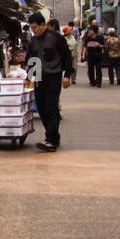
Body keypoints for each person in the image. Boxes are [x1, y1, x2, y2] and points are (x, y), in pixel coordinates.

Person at [25, 11, 73, 152]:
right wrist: (28, 78)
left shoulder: (56, 38)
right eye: (31, 28)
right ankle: (54, 138)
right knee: (41, 108)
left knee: (50, 108)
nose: (33, 31)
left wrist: (67, 75)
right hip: (39, 78)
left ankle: (50, 140)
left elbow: (67, 56)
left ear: (42, 25)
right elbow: (30, 59)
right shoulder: (33, 41)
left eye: (35, 27)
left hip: (54, 76)